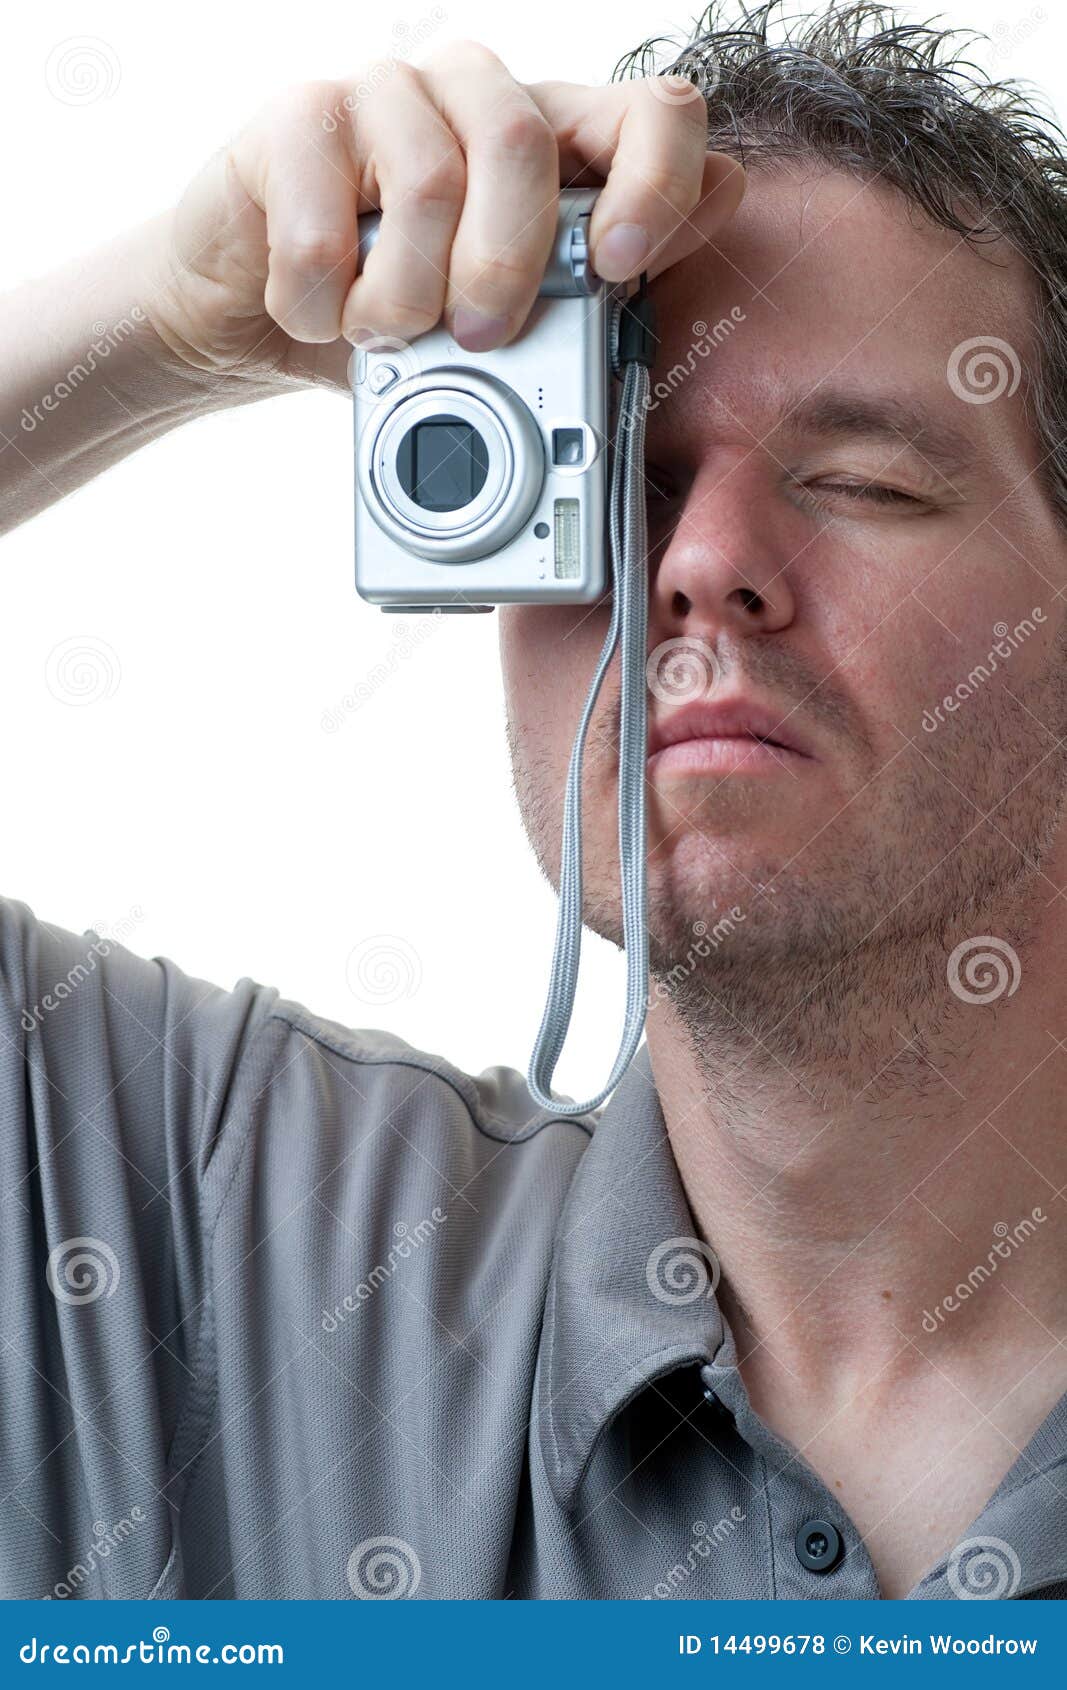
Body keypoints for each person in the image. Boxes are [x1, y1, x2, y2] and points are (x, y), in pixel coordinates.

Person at [3, 0, 1067, 1602]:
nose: (698, 567)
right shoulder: (226, 1236)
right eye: (608, 480)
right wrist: (165, 326)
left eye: (861, 481)